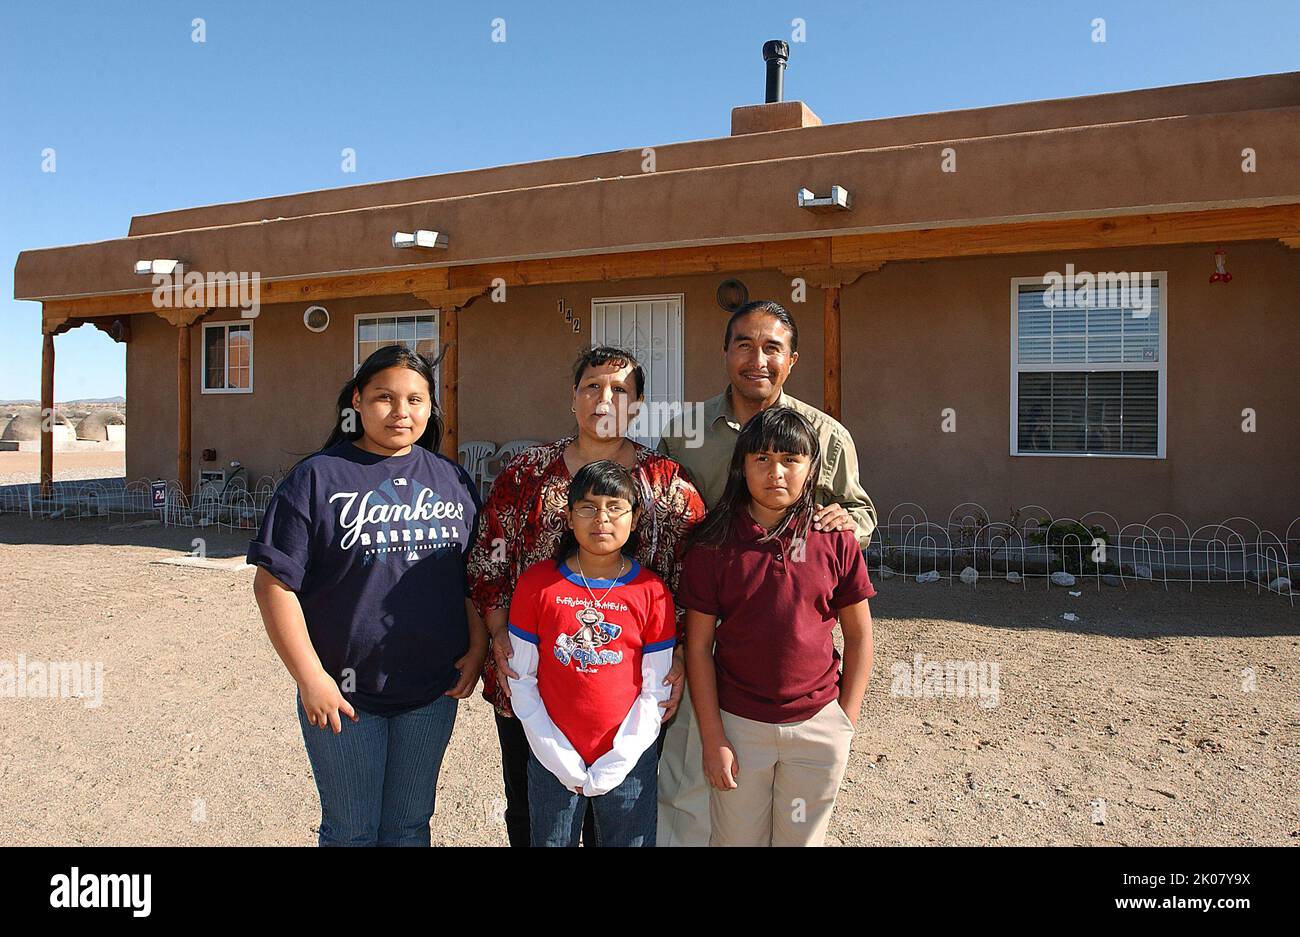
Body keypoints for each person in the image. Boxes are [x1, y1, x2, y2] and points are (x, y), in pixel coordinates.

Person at [656, 299, 877, 846]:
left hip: (786, 632)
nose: (758, 359)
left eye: (772, 348)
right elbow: (658, 512)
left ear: (792, 359)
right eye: (744, 345)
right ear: (726, 353)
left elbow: (860, 515)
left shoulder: (825, 436)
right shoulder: (684, 431)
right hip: (699, 623)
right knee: (689, 777)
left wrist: (843, 522)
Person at [467, 345, 705, 847]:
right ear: (573, 399)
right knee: (533, 814)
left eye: (621, 390)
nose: (605, 398)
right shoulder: (525, 475)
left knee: (617, 816)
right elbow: (488, 560)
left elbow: (694, 575)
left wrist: (679, 651)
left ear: (637, 406)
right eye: (592, 386)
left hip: (627, 689)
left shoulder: (667, 484)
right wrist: (497, 631)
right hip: (530, 677)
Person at [249, 344, 486, 846]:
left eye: (416, 400)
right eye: (384, 397)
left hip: (431, 693)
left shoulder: (452, 479)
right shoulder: (316, 478)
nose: (401, 412)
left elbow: (469, 574)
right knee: (352, 831)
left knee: (408, 827)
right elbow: (274, 584)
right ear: (356, 401)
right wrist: (311, 679)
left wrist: (479, 644)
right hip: (344, 695)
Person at [506, 461, 675, 846]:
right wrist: (555, 752)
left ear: (634, 519)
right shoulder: (537, 585)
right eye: (587, 507)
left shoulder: (652, 592)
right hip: (551, 755)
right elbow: (522, 680)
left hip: (630, 759)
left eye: (615, 507)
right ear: (568, 517)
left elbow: (656, 690)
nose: (601, 518)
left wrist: (621, 757)